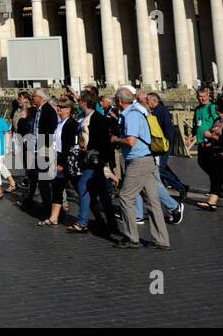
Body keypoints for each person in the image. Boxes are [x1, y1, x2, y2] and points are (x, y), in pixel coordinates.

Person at [111, 86, 170, 248]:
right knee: (152, 201)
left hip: (138, 161)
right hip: (147, 160)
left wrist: (116, 140)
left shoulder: (131, 116)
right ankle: (161, 240)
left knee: (125, 197)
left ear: (119, 101)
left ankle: (131, 237)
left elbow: (131, 140)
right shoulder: (135, 113)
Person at [68, 92, 117, 236]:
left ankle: (82, 222)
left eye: (80, 101)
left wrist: (100, 156)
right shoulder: (85, 117)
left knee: (83, 185)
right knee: (102, 193)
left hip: (94, 160)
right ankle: (112, 224)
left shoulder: (97, 118)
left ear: (84, 102)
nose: (78, 103)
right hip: (89, 158)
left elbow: (103, 140)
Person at [39, 97, 78, 227]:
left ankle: (98, 218)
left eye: (61, 107)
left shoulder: (71, 124)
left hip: (67, 161)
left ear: (68, 110)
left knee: (80, 189)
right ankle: (54, 217)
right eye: (58, 106)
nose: (58, 108)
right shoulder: (59, 123)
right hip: (57, 158)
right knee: (57, 189)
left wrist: (63, 164)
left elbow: (70, 146)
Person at [148, 93, 187, 200]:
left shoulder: (162, 111)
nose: (146, 102)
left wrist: (166, 141)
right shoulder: (154, 111)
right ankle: (178, 184)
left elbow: (168, 128)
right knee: (163, 166)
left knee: (160, 169)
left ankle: (180, 187)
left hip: (163, 144)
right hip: (158, 144)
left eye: (148, 100)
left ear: (153, 101)